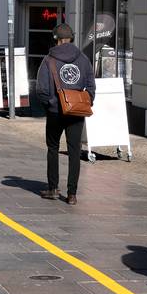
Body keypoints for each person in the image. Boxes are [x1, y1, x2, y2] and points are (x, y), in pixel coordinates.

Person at [34, 23, 94, 205]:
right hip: (76, 112)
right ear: (72, 38)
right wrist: (84, 102)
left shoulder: (48, 60)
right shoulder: (83, 59)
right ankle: (72, 194)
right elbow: (91, 86)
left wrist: (51, 106)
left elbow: (41, 90)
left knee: (53, 148)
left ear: (56, 39)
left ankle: (53, 188)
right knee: (75, 151)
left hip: (55, 113)